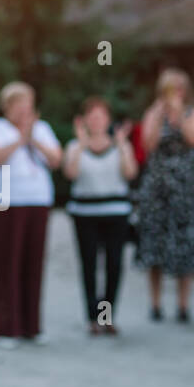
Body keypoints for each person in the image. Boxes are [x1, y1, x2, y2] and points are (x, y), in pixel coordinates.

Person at [0, 82, 62, 348]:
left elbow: (55, 160)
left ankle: (31, 326)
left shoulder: (43, 129)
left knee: (33, 263)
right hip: (4, 202)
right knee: (6, 263)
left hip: (37, 200)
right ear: (9, 106)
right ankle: (5, 327)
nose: (26, 108)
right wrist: (21, 138)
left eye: (29, 103)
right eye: (20, 103)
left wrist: (32, 136)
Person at [135, 68, 194, 322]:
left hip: (183, 189)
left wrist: (178, 113)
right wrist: (158, 114)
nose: (174, 93)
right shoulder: (153, 112)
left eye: (179, 87)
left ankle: (183, 305)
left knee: (184, 247)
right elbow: (147, 145)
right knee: (154, 247)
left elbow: (193, 138)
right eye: (170, 88)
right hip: (156, 189)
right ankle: (155, 304)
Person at [63, 97, 138, 335]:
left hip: (116, 213)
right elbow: (70, 174)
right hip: (85, 214)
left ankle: (108, 316)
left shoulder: (120, 145)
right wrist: (82, 145)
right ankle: (92, 318)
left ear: (108, 120)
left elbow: (130, 173)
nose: (96, 121)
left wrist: (123, 146)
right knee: (89, 265)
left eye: (101, 116)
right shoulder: (75, 147)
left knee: (114, 265)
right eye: (92, 116)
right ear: (84, 120)